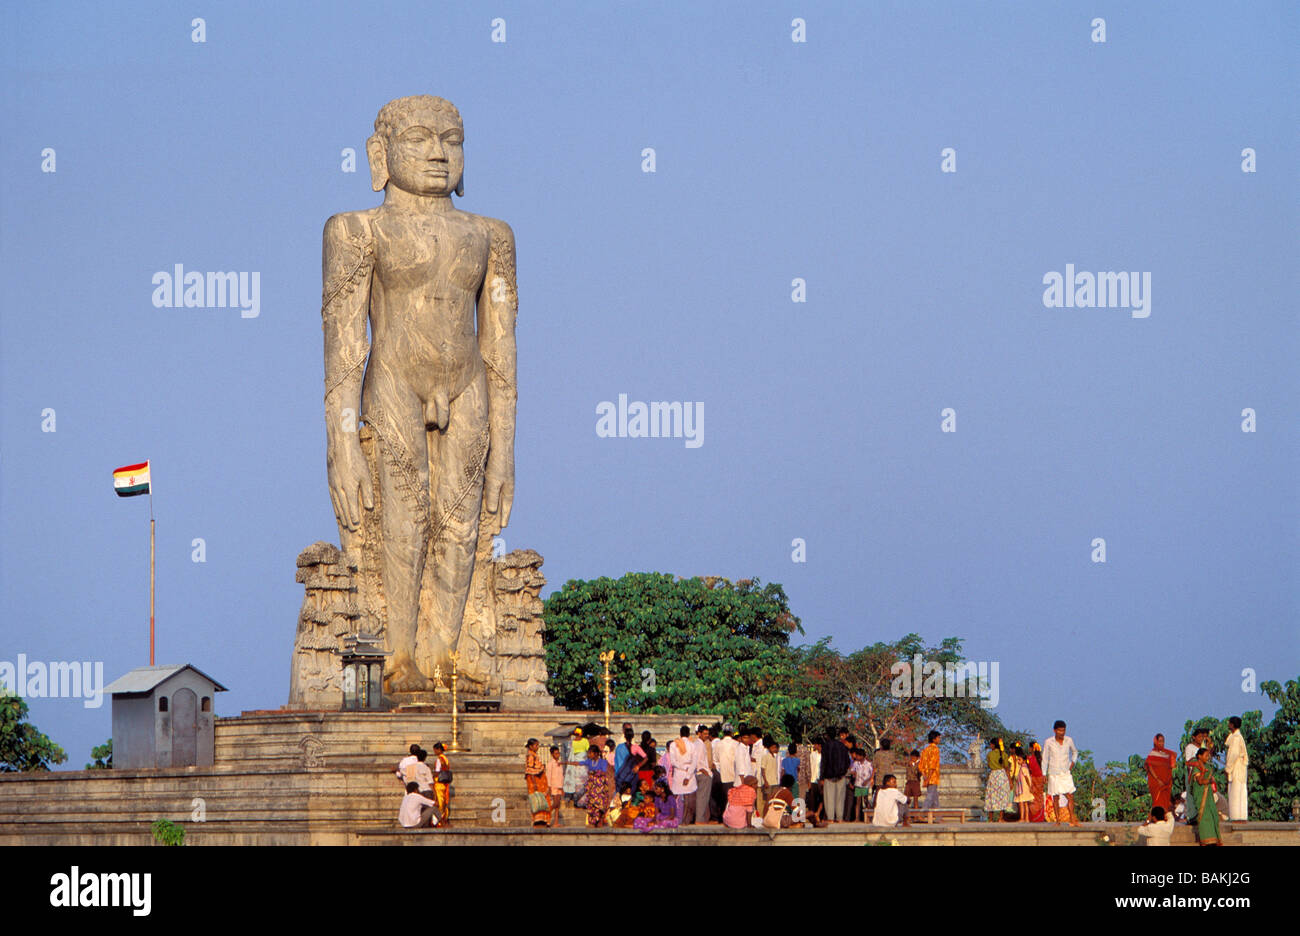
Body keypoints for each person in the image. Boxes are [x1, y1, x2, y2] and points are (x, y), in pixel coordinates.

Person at [1041, 721, 1079, 826]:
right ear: (1055, 730)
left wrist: (1073, 762)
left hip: (1065, 772)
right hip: (1053, 772)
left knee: (1070, 796)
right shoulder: (1048, 742)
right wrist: (1043, 773)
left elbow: (1075, 751)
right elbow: (1045, 758)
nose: (1062, 732)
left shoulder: (1069, 740)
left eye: (1063, 730)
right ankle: (1057, 820)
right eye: (1060, 730)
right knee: (1056, 797)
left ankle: (1072, 819)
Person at [1188, 748, 1221, 845]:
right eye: (1206, 756)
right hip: (1201, 794)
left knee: (1213, 814)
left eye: (1208, 755)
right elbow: (1200, 781)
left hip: (1208, 794)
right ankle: (1206, 840)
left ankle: (1214, 838)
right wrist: (1210, 780)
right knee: (1204, 816)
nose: (1208, 757)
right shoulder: (1197, 767)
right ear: (1199, 756)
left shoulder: (1207, 766)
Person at [668, 725, 701, 823]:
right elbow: (694, 763)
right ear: (688, 734)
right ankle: (684, 820)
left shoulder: (673, 744)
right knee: (687, 798)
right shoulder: (692, 745)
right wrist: (688, 775)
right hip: (689, 773)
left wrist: (682, 768)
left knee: (674, 796)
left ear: (680, 733)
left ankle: (671, 816)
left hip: (678, 772)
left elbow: (673, 762)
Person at [820, 729, 851, 823]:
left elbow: (824, 763)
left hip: (829, 776)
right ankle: (840, 818)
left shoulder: (826, 746)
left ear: (828, 736)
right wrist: (843, 772)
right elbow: (847, 761)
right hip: (841, 775)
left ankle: (830, 818)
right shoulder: (842, 746)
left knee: (829, 797)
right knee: (840, 798)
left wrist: (822, 777)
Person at [1183, 728, 1210, 824]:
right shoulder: (1190, 747)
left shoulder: (1203, 747)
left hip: (1202, 774)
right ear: (1194, 737)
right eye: (1199, 737)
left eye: (1202, 737)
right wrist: (1198, 764)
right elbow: (1188, 762)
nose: (1200, 739)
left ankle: (1201, 816)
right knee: (1191, 795)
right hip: (1192, 773)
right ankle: (1191, 816)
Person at [1144, 734, 1178, 813]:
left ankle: (1163, 818)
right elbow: (1150, 767)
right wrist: (1158, 779)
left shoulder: (1166, 754)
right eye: (1159, 741)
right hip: (1157, 783)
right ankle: (1155, 818)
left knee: (1165, 802)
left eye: (1163, 741)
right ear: (1155, 742)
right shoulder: (1152, 753)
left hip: (1166, 782)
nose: (1161, 743)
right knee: (1157, 802)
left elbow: (1171, 765)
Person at [1224, 716, 1249, 821]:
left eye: (1229, 723)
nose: (1228, 725)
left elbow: (1233, 755)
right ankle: (1241, 816)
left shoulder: (1236, 738)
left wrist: (1228, 768)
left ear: (1232, 725)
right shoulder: (1236, 737)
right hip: (1240, 767)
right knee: (1240, 791)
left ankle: (1236, 817)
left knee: (1235, 792)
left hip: (1236, 767)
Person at [583, 743, 613, 827]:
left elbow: (604, 772)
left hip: (600, 785)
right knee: (591, 804)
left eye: (590, 753)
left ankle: (600, 820)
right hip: (592, 785)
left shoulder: (602, 762)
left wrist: (595, 772)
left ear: (596, 753)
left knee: (599, 804)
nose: (589, 755)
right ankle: (594, 821)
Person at [983, 738, 1012, 822]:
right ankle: (1000, 818)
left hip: (993, 776)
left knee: (991, 797)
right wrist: (1010, 781)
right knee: (1002, 796)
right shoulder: (1004, 754)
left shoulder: (989, 754)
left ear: (993, 745)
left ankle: (990, 818)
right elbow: (1007, 768)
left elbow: (989, 765)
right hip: (1002, 776)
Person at [524, 738, 550, 827]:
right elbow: (530, 770)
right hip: (535, 782)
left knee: (543, 800)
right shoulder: (530, 756)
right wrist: (534, 783)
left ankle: (543, 820)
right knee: (537, 800)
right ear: (531, 746)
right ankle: (538, 820)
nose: (537, 747)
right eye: (536, 745)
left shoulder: (534, 755)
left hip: (541, 782)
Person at [693, 725, 715, 825]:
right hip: (702, 773)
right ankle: (699, 819)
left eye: (707, 734)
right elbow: (697, 760)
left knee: (704, 797)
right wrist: (702, 770)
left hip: (703, 772)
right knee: (702, 797)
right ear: (699, 733)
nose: (706, 736)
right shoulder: (699, 744)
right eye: (704, 734)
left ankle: (703, 818)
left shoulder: (700, 743)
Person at [918, 731, 942, 811]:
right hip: (932, 776)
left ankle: (938, 817)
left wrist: (924, 776)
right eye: (938, 738)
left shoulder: (925, 750)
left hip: (926, 776)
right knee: (930, 795)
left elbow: (920, 765)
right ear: (934, 739)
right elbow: (933, 765)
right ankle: (923, 811)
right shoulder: (935, 749)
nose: (939, 739)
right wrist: (928, 777)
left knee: (935, 797)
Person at [565, 728, 589, 807]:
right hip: (580, 766)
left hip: (580, 766)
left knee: (580, 783)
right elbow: (588, 752)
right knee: (580, 783)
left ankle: (579, 801)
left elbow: (567, 754)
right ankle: (580, 801)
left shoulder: (573, 742)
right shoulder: (575, 742)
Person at [849, 747, 874, 822]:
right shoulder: (856, 763)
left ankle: (869, 817)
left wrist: (868, 780)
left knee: (866, 801)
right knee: (858, 802)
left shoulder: (869, 764)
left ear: (862, 756)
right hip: (858, 784)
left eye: (858, 756)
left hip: (866, 785)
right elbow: (852, 771)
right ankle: (857, 818)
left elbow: (872, 773)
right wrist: (853, 774)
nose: (857, 757)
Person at [429, 742, 452, 824]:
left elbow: (437, 772)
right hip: (445, 784)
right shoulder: (445, 758)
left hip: (439, 783)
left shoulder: (439, 759)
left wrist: (430, 775)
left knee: (439, 802)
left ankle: (439, 821)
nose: (434, 751)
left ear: (438, 750)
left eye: (435, 750)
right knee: (444, 801)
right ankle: (443, 818)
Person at [1027, 742, 1049, 822]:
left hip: (1033, 780)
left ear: (1031, 748)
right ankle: (1039, 816)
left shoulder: (1029, 759)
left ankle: (1033, 817)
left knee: (1033, 798)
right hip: (1040, 780)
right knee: (1039, 797)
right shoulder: (1040, 758)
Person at [1010, 743, 1033, 822]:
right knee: (1025, 804)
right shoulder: (1024, 767)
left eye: (1019, 760)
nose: (1018, 761)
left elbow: (1026, 778)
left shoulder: (1023, 768)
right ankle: (1026, 818)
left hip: (1024, 788)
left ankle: (1023, 818)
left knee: (1022, 804)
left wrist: (1030, 786)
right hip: (1025, 788)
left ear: (1023, 760)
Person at [870, 739, 896, 807]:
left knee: (878, 794)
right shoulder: (892, 754)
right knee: (890, 795)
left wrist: (872, 778)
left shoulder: (878, 754)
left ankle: (874, 809)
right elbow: (892, 766)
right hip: (889, 777)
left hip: (880, 776)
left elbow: (874, 767)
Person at [545, 745, 565, 826]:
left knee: (558, 806)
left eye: (558, 753)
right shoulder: (550, 764)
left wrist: (562, 787)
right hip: (553, 786)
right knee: (555, 803)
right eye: (556, 753)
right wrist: (549, 787)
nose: (558, 755)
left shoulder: (559, 764)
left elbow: (561, 776)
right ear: (552, 754)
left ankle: (556, 822)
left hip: (559, 786)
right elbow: (548, 776)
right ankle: (546, 815)